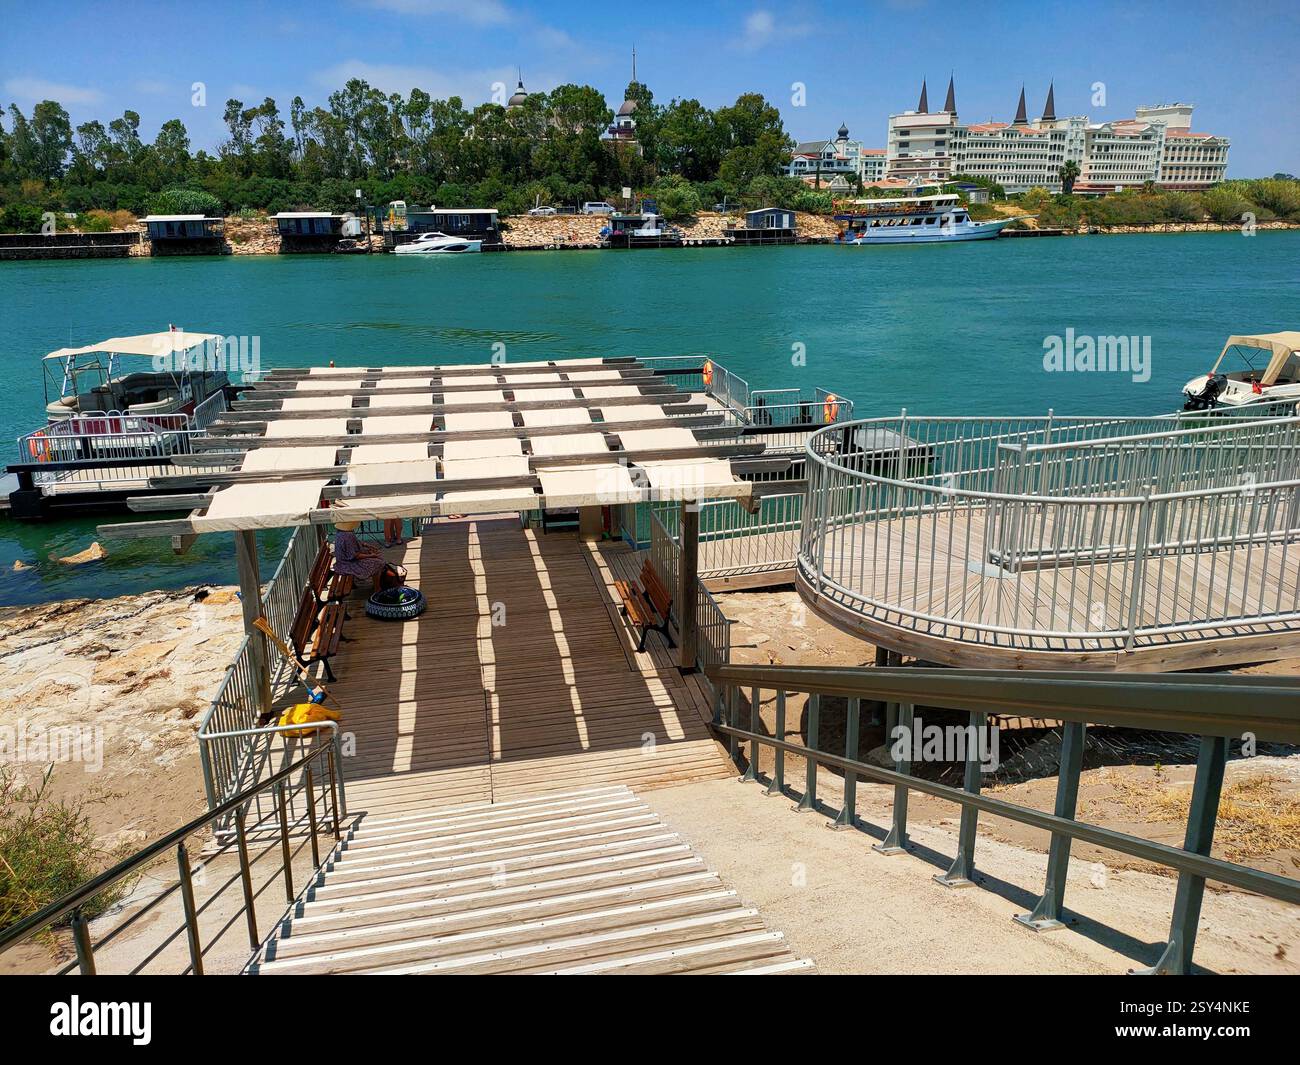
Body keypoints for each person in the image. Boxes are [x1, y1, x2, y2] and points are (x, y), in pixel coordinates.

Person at [332, 520, 387, 594]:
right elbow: (355, 556)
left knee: (375, 558)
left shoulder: (340, 532)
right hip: (347, 565)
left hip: (342, 562)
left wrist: (367, 546)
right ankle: (377, 588)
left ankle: (375, 584)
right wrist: (372, 555)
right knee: (379, 563)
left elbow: (356, 544)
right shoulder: (348, 536)